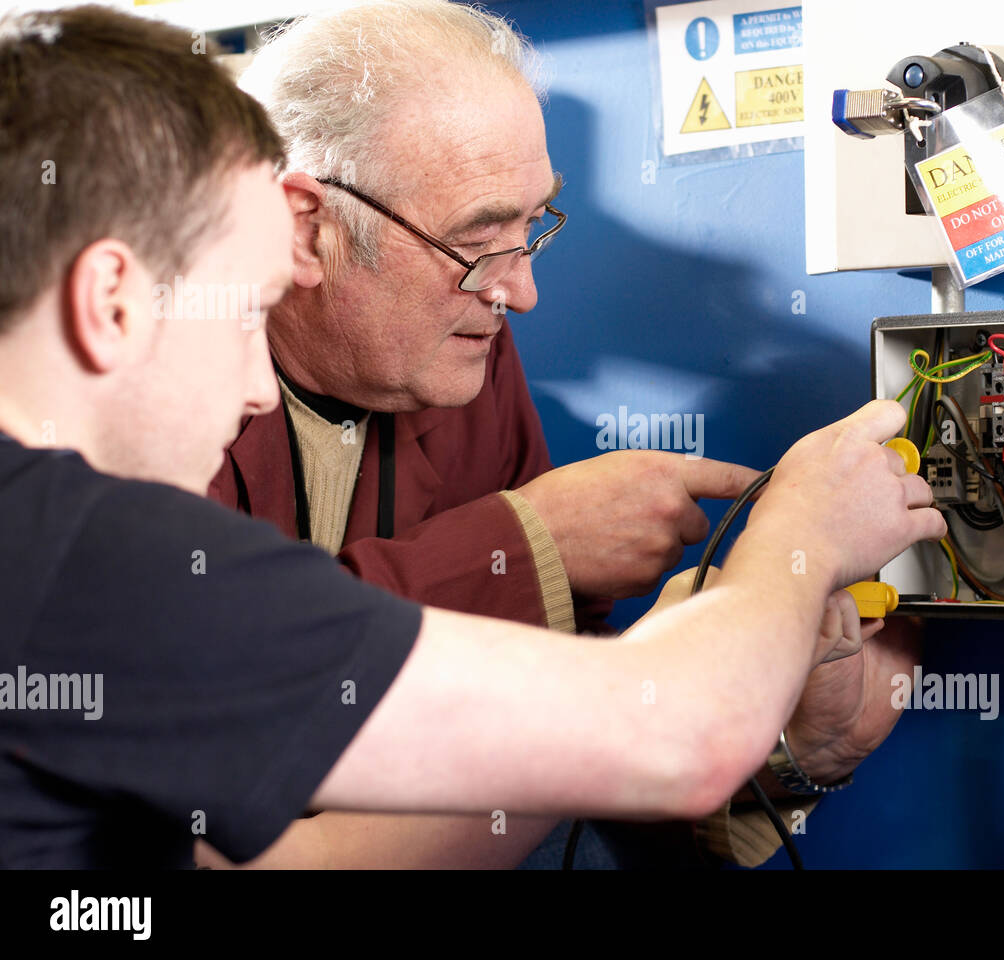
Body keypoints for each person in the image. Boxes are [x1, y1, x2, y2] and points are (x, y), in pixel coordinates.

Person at [0, 6, 945, 870]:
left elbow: (504, 773)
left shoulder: (461, 368)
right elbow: (660, 741)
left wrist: (777, 749)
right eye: (243, 311)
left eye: (532, 228)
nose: (519, 290)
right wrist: (793, 547)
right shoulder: (78, 552)